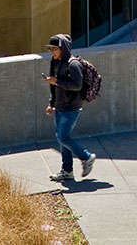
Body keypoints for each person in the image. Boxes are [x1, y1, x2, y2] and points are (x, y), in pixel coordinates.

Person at [44, 33, 96, 182]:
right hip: (59, 106)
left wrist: (57, 81)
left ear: (63, 48)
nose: (52, 52)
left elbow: (77, 85)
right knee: (62, 139)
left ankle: (86, 157)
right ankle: (67, 171)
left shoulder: (73, 64)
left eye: (55, 49)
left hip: (72, 107)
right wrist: (51, 103)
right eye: (51, 49)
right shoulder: (54, 63)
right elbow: (53, 87)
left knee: (63, 137)